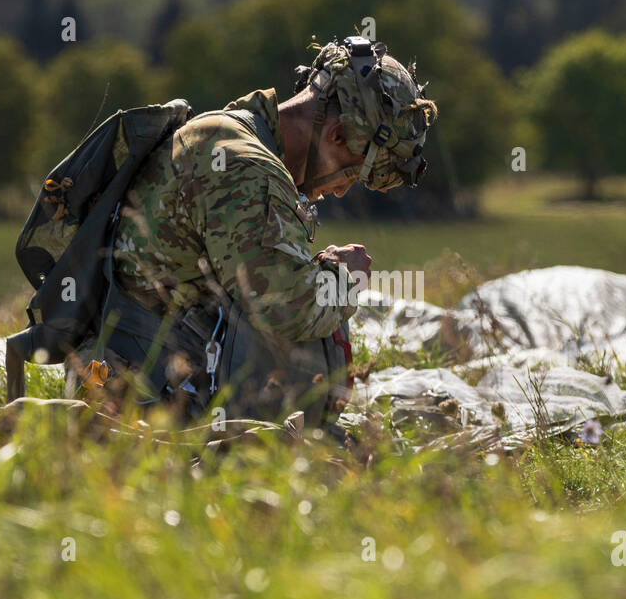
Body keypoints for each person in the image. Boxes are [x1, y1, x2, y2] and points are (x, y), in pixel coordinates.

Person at [97, 35, 439, 421]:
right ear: (336, 135)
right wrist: (345, 278)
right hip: (147, 401)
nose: (340, 190)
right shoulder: (248, 170)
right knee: (316, 336)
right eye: (350, 173)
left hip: (139, 373)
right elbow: (287, 310)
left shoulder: (230, 129)